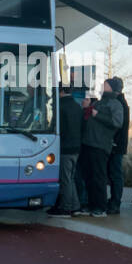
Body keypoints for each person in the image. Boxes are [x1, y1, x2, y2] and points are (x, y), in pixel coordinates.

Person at [79, 82, 123, 217]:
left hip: (100, 145)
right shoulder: (99, 102)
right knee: (89, 176)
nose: (103, 86)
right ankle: (90, 205)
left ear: (112, 88)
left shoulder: (115, 104)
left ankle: (100, 207)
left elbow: (117, 122)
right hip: (88, 143)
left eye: (106, 84)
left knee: (99, 177)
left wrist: (97, 114)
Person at [47, 83, 83, 216]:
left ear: (60, 91)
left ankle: (66, 207)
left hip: (64, 148)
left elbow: (57, 129)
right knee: (71, 177)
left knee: (65, 179)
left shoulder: (60, 107)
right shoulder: (77, 106)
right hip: (76, 148)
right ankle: (75, 206)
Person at [105, 76, 130, 214]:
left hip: (115, 145)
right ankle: (114, 201)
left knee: (115, 174)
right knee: (115, 173)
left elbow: (116, 125)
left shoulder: (117, 103)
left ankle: (115, 203)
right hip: (118, 145)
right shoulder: (122, 102)